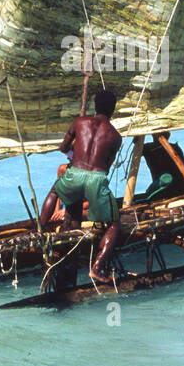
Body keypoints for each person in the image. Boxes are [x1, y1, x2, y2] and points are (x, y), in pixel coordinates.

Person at [39, 88, 123, 281]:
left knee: (54, 192)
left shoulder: (79, 122)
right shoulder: (115, 137)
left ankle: (40, 230)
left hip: (75, 173)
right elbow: (107, 167)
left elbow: (63, 148)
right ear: (113, 110)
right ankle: (97, 266)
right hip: (96, 178)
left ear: (95, 106)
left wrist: (76, 149)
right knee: (114, 222)